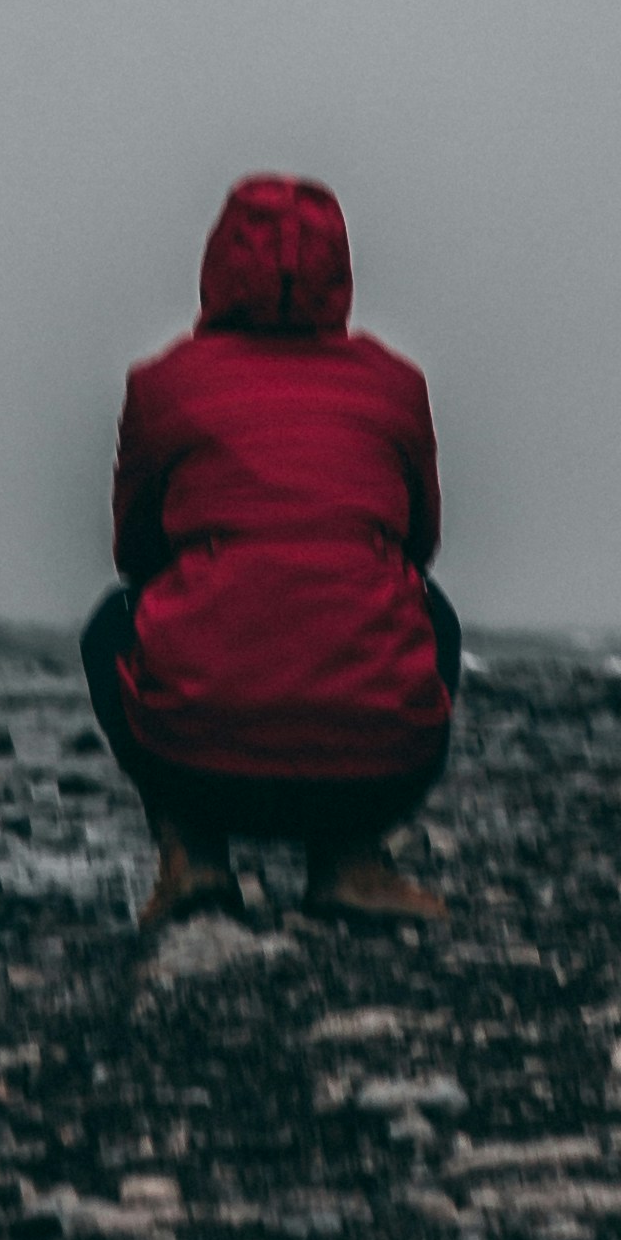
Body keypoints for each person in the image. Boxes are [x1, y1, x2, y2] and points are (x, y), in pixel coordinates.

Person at [83, 171, 460, 928]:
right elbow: (420, 542)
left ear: (218, 259)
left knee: (111, 624)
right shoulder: (397, 385)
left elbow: (135, 551)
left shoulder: (164, 385)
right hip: (373, 765)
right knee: (431, 612)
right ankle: (350, 859)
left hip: (198, 760)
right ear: (340, 268)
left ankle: (194, 856)